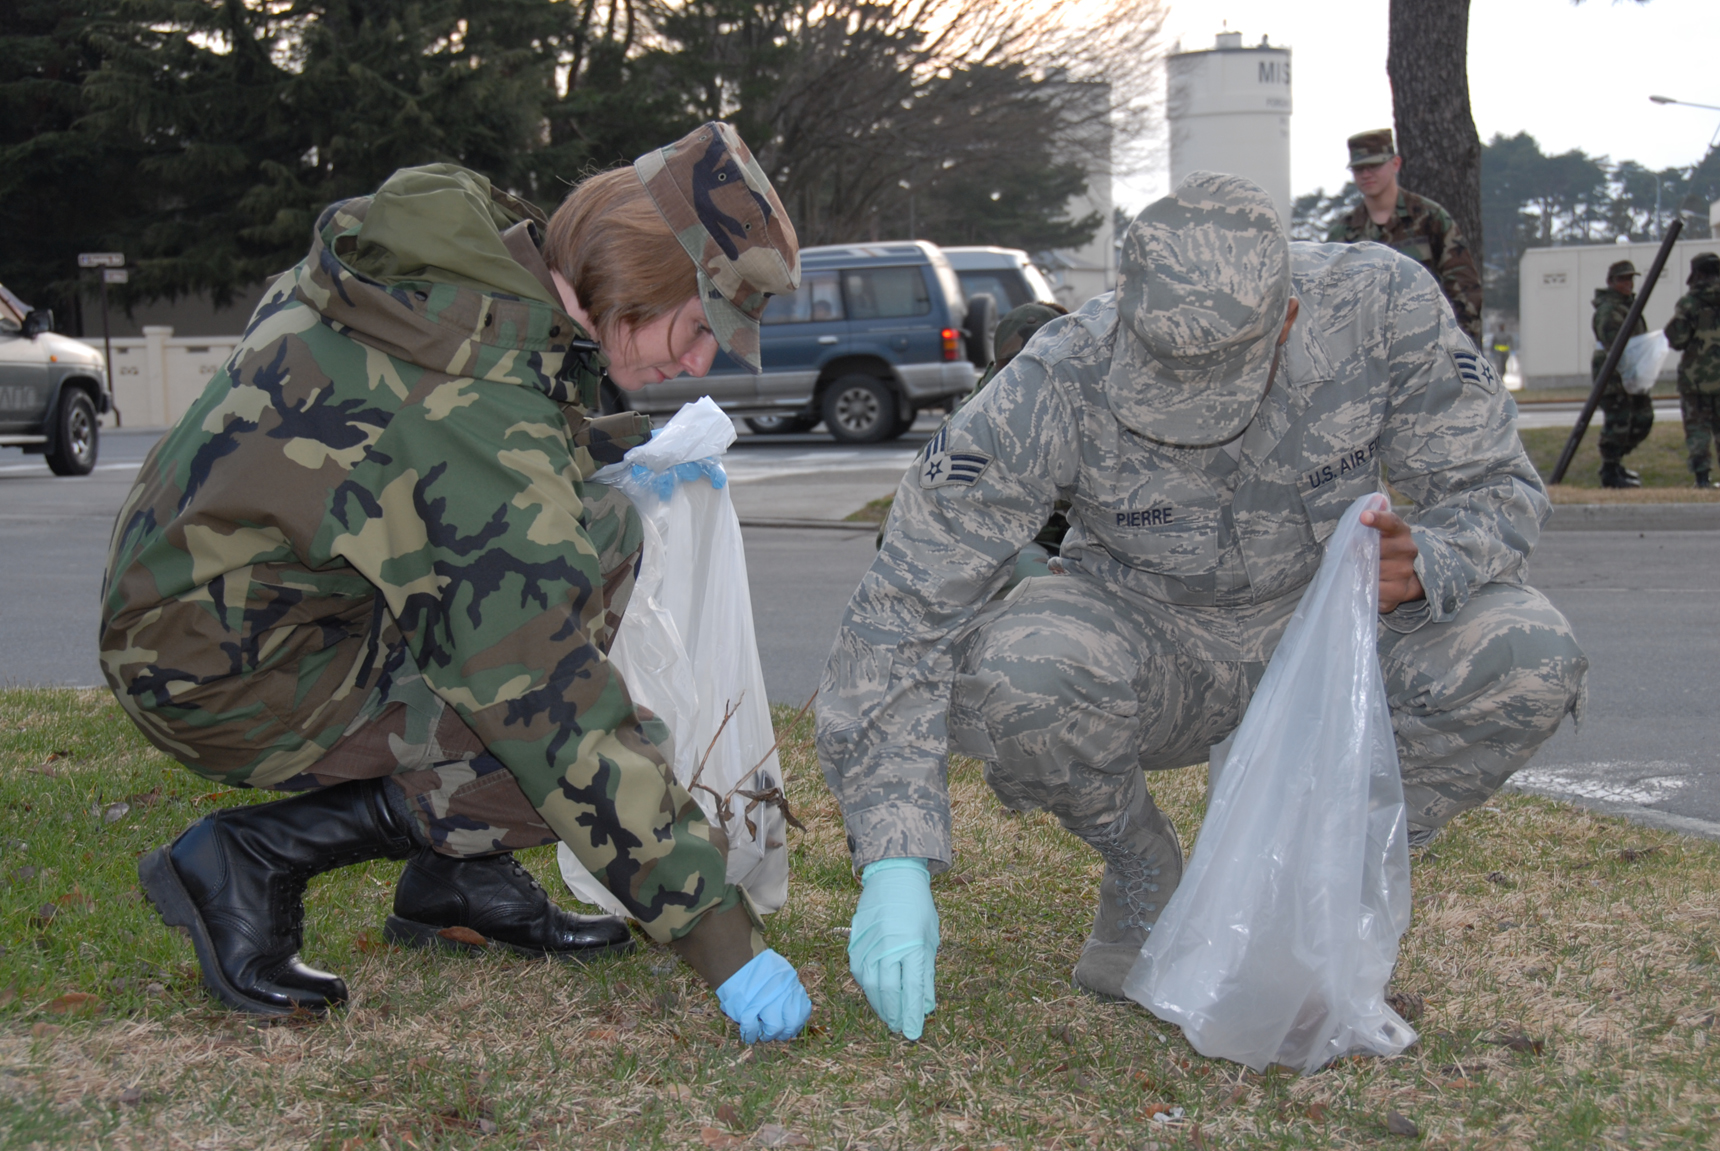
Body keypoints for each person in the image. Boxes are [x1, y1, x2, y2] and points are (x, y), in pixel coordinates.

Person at [820, 172, 1586, 1040]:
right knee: (1019, 672)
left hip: (1332, 639)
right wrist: (894, 857)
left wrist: (1431, 556)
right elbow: (902, 608)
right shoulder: (1059, 375)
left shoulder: (1378, 306)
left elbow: (1495, 488)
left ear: (1288, 316)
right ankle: (1144, 867)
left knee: (1527, 653)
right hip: (1156, 646)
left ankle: (1294, 890)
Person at [102, 122, 814, 1042]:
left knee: (604, 528)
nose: (698, 362)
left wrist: (618, 444)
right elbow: (557, 714)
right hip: (218, 672)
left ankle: (457, 881)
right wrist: (725, 941)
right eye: (696, 327)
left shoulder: (452, 273)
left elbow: (395, 447)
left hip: (211, 595)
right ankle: (249, 856)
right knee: (540, 747)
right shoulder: (470, 400)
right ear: (636, 278)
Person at [1326, 129, 1484, 348]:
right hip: (1367, 355)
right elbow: (1329, 299)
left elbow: (1464, 285)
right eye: (1359, 169)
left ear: (1395, 164)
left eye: (1374, 166)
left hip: (1429, 346)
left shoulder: (1430, 219)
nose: (1366, 174)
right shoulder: (1343, 234)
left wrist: (1458, 345)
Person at [1589, 259, 1653, 488]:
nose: (1627, 283)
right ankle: (1610, 469)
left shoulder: (1628, 306)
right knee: (1618, 421)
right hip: (1613, 373)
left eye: (1630, 279)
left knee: (1642, 418)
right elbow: (1611, 342)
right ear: (1611, 282)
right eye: (1622, 279)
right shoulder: (1609, 308)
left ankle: (1615, 463)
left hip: (1631, 372)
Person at [1666, 252, 1720, 489]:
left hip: (1695, 379)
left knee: (1697, 430)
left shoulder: (1689, 304)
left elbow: (1677, 339)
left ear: (1697, 274)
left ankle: (1702, 478)